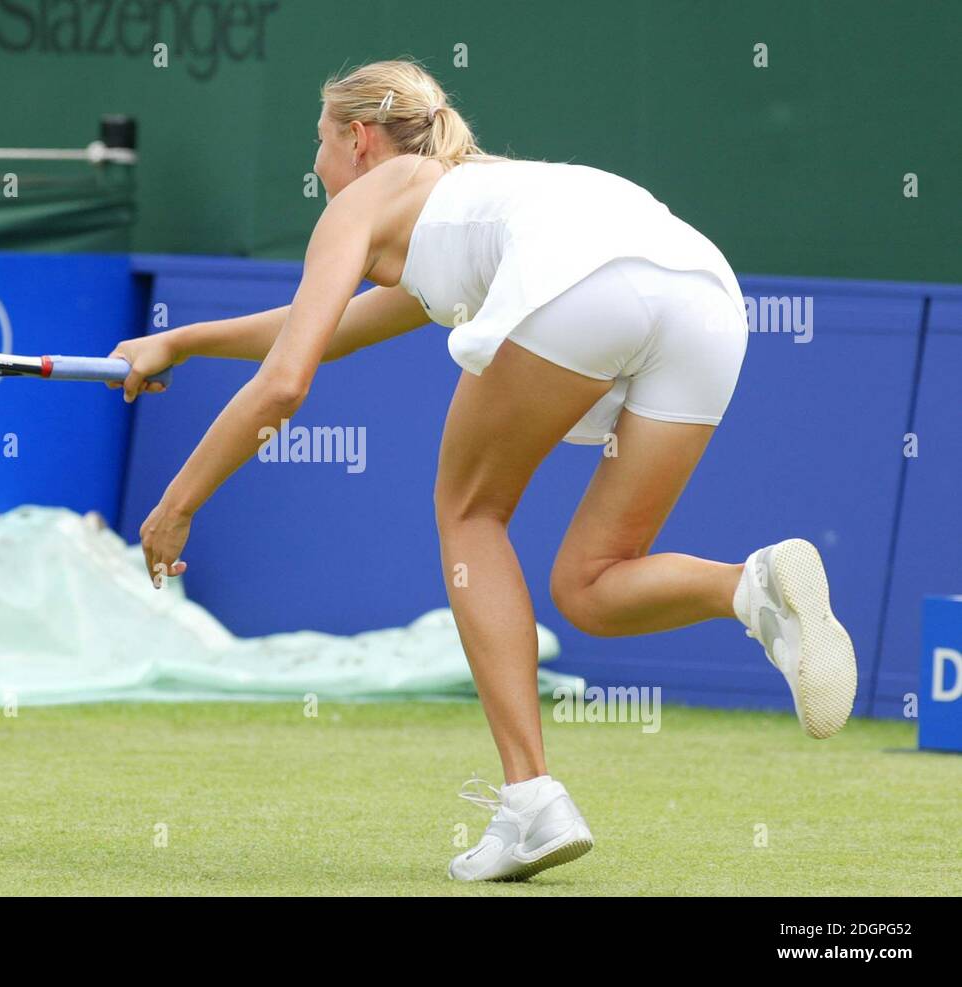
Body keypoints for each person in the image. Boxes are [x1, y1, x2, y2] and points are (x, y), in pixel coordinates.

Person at [105, 58, 858, 883]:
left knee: (470, 514)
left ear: (358, 140)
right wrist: (177, 340)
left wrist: (178, 502)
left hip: (582, 286)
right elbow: (326, 327)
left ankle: (532, 800)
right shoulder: (479, 197)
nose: (316, 165)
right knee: (591, 587)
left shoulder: (367, 200)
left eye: (318, 141)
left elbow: (288, 377)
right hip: (705, 298)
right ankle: (753, 589)